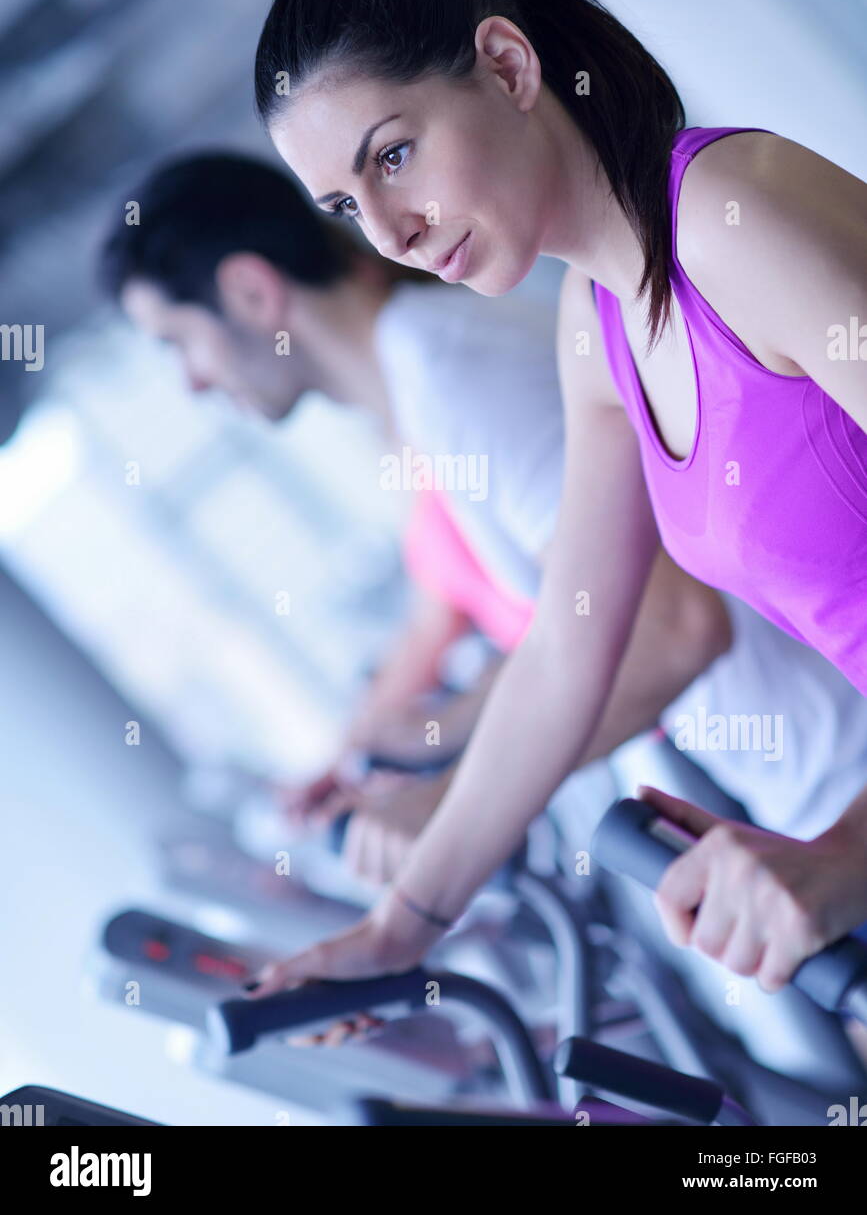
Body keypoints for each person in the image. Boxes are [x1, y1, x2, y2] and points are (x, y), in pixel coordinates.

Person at [241, 0, 867, 1030]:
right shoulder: (601, 326)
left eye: (393, 155)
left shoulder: (731, 215)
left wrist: (849, 847)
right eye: (345, 204)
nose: (387, 229)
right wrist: (401, 929)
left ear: (506, 63)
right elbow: (570, 648)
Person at [99, 151, 727, 883]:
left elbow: (667, 627)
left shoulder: (444, 365)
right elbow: (567, 624)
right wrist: (415, 744)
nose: (192, 384)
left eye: (178, 342)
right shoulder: (418, 378)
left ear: (249, 292)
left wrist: (452, 795)